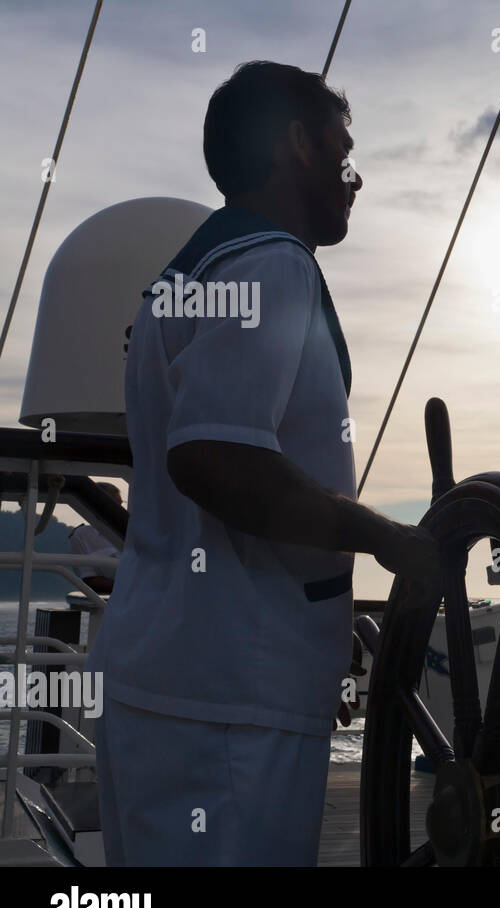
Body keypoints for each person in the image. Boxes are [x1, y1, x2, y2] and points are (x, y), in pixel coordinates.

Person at [86, 61, 440, 866]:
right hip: (230, 705)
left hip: (168, 678)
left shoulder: (180, 279)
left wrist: (323, 611)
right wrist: (383, 538)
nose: (355, 179)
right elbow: (217, 461)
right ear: (296, 145)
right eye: (342, 152)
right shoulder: (273, 265)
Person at [68, 481, 123, 594]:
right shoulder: (82, 536)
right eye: (114, 505)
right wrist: (129, 587)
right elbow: (90, 580)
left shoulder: (134, 531)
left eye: (120, 505)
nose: (120, 510)